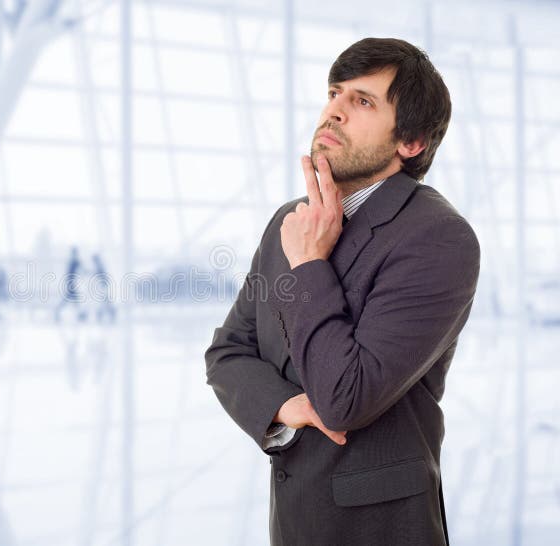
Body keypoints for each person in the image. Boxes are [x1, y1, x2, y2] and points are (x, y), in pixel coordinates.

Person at [204, 37, 480, 545]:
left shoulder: (438, 237)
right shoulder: (289, 220)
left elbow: (345, 400)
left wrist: (310, 262)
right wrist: (285, 407)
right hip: (293, 524)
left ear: (412, 142)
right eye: (335, 93)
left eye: (363, 101)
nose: (334, 111)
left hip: (380, 529)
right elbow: (227, 352)